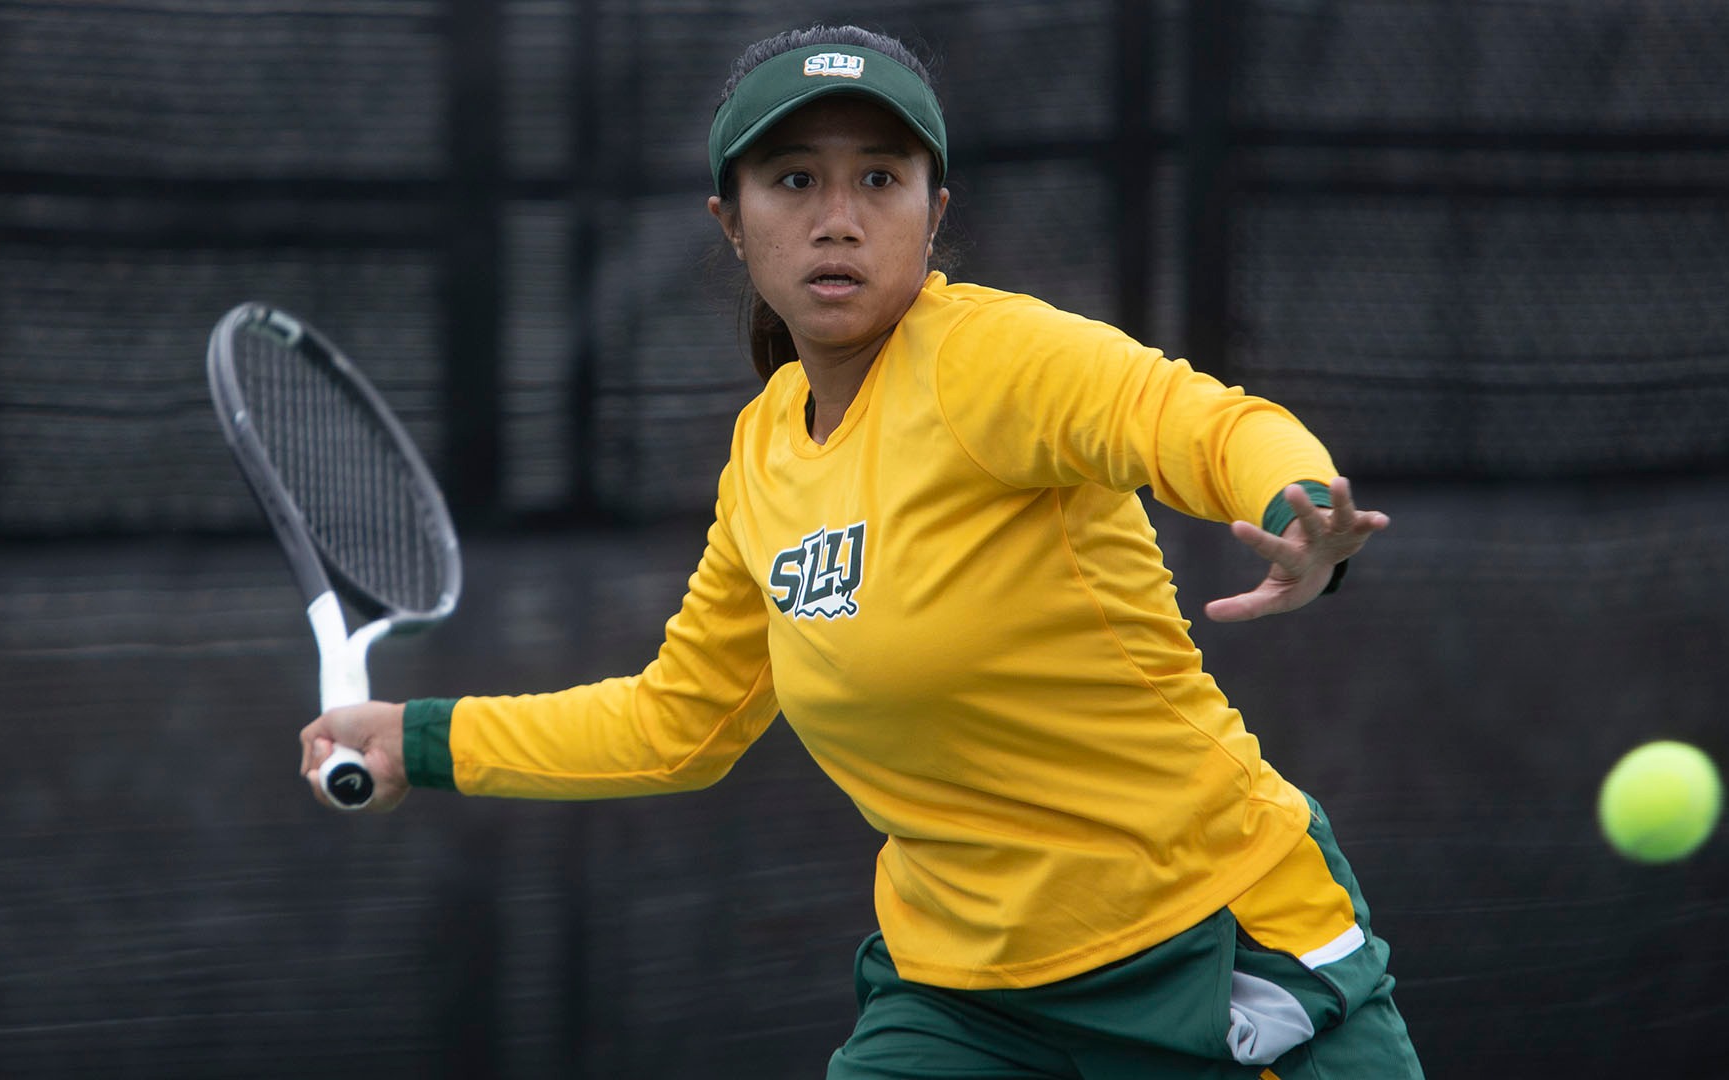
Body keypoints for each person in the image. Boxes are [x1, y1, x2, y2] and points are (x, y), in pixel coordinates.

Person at [301, 24, 1425, 1080]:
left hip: (1214, 948)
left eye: (880, 179)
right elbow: (676, 724)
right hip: (961, 1000)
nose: (838, 218)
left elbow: (1196, 419)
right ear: (730, 220)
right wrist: (421, 737)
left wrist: (1297, 507)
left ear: (935, 214)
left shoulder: (989, 357)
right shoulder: (764, 452)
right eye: (794, 180)